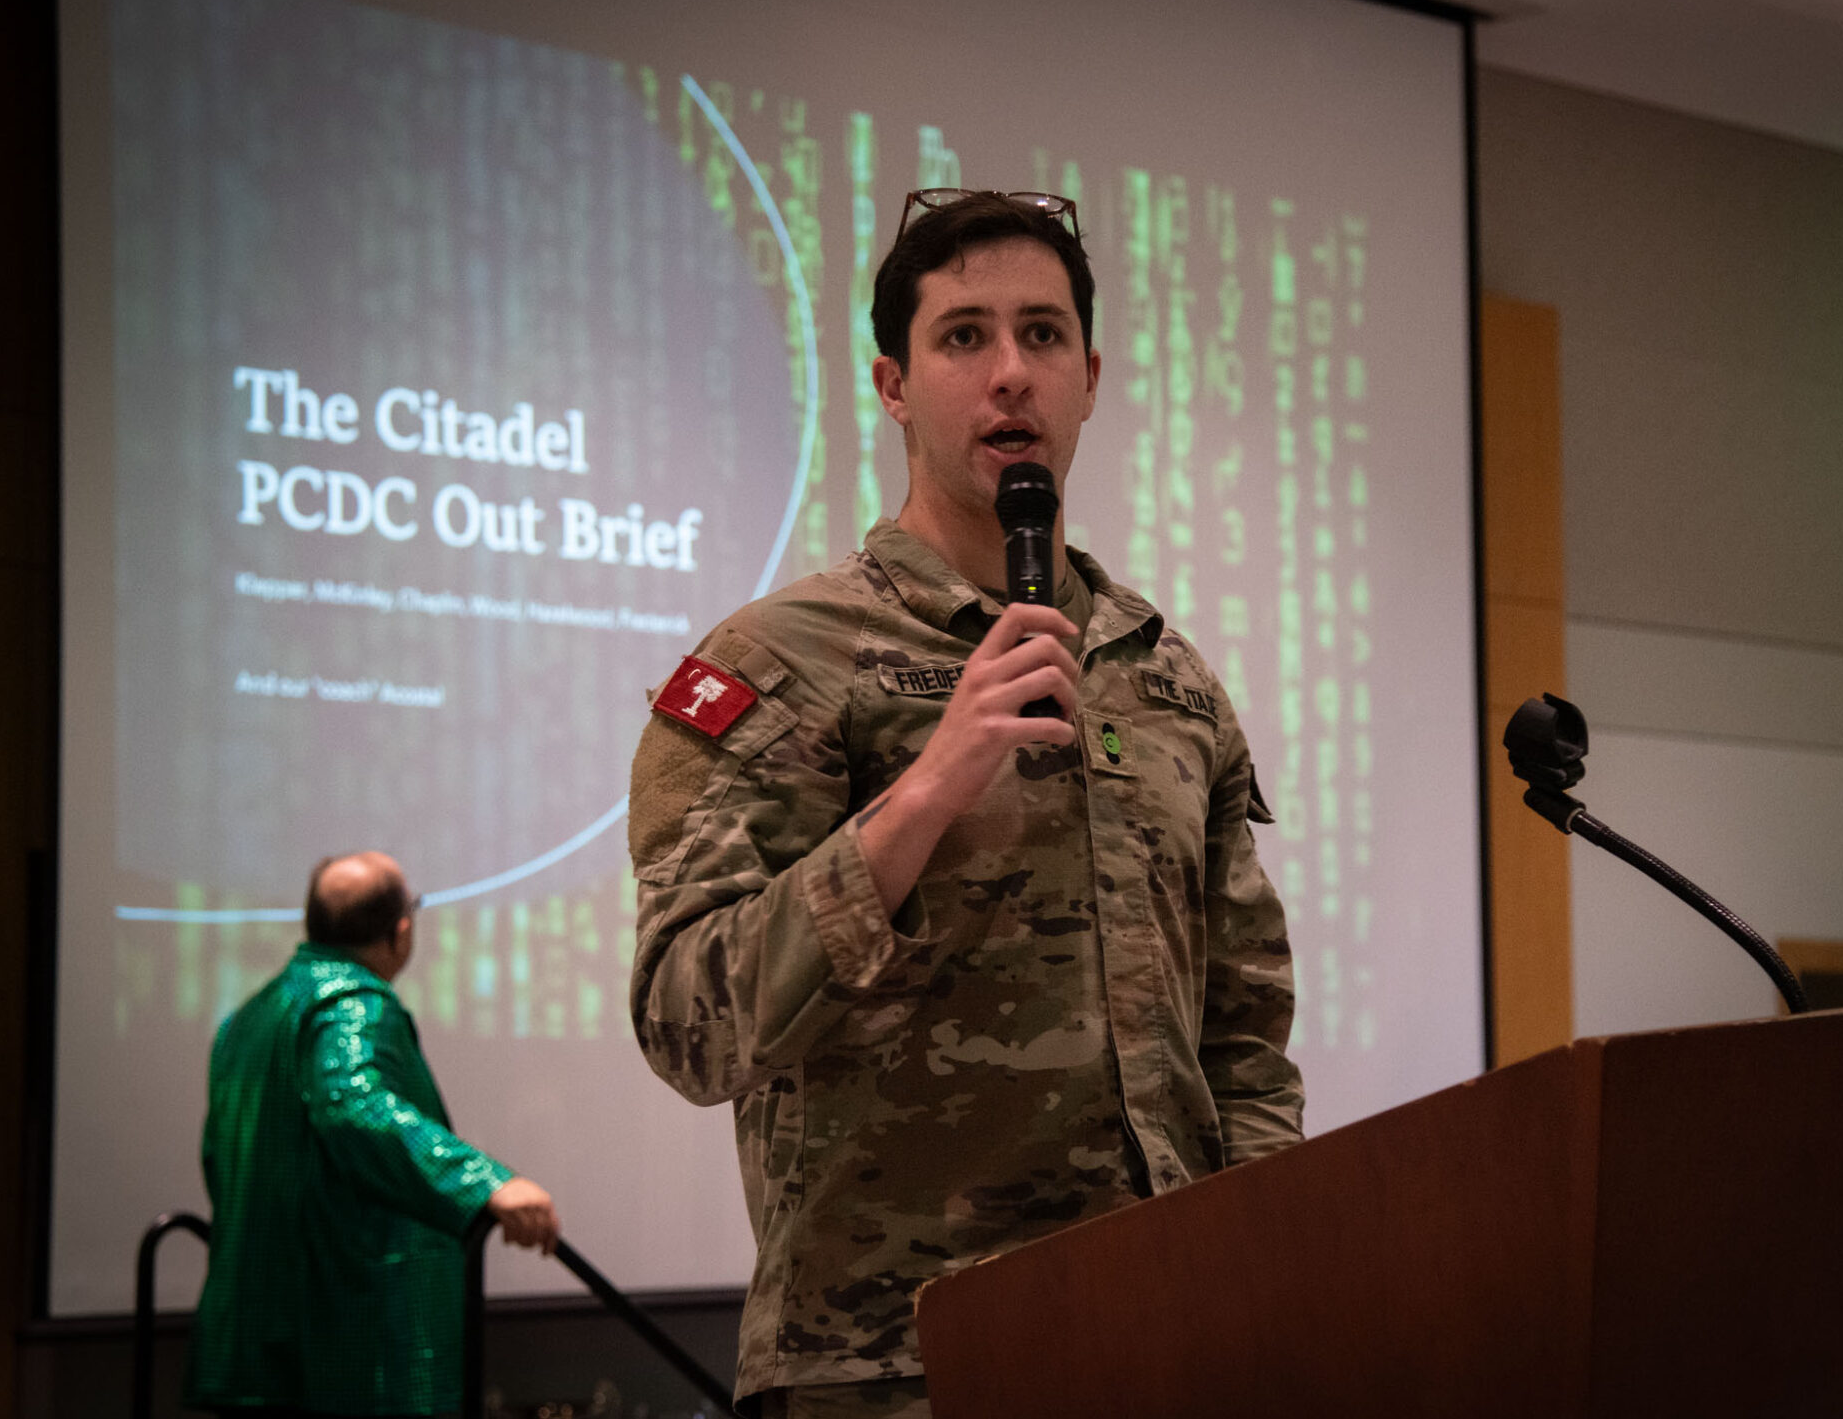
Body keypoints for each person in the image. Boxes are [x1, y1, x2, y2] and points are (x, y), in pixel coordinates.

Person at [628, 189, 1303, 1418]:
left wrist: (1264, 1281)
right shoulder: (781, 662)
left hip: (1168, 1341)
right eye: (962, 337)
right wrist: (926, 789)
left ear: (1089, 378)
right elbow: (688, 1022)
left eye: (1043, 336)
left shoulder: (1166, 676)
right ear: (892, 384)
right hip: (893, 1366)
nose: (1009, 376)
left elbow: (1245, 1041)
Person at [186, 850, 561, 1418]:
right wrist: (485, 1184)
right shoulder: (352, 1004)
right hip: (341, 1341)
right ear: (401, 930)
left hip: (254, 1335)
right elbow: (353, 1103)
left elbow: (219, 1158)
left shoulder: (247, 1019)